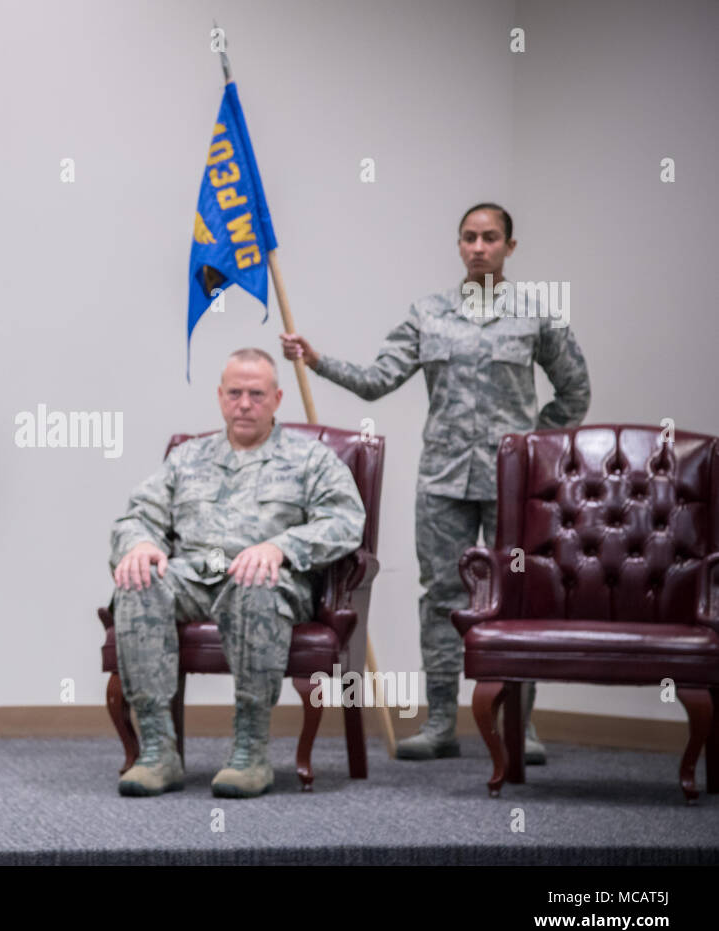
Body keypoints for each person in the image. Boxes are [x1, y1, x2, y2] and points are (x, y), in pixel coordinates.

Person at [281, 203, 591, 762]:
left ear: (510, 248)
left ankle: (521, 726)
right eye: (469, 237)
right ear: (458, 245)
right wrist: (318, 359)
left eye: (490, 238)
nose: (478, 247)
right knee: (442, 598)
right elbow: (379, 380)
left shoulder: (537, 317)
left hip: (511, 486)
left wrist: (533, 447)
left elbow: (575, 391)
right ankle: (441, 722)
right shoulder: (428, 315)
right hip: (443, 482)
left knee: (516, 597)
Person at [108, 348, 365, 798]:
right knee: (139, 582)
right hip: (195, 575)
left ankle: (250, 751)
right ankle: (157, 751)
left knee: (254, 584)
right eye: (234, 393)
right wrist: (141, 544)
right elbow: (136, 515)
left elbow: (346, 523)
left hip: (272, 583)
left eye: (256, 394)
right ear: (220, 397)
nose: (244, 403)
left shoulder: (312, 460)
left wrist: (280, 546)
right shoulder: (188, 457)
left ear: (278, 398)